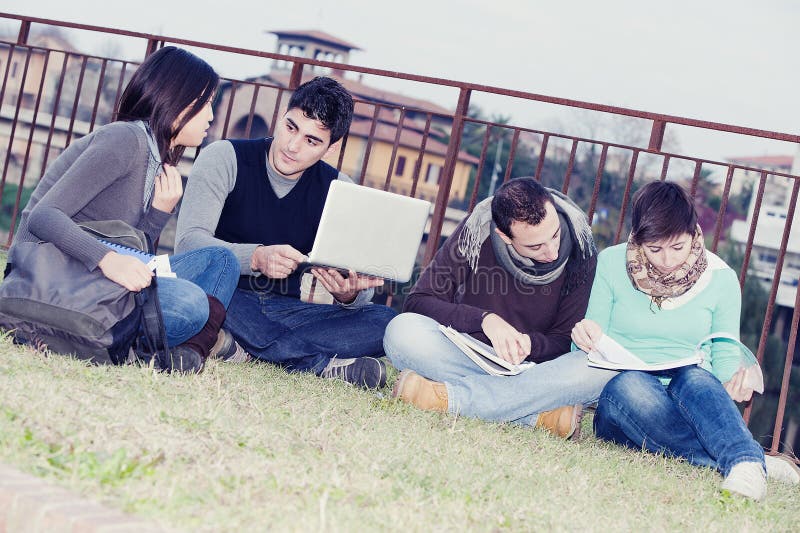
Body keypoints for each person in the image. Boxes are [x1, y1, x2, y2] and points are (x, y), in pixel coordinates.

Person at [1, 46, 241, 373]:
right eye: (208, 103)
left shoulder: (156, 157)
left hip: (99, 280)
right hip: (54, 274)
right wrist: (107, 260)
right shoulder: (125, 140)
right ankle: (175, 347)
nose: (212, 116)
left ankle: (188, 351)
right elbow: (44, 216)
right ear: (180, 99)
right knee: (191, 306)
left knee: (220, 261)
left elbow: (131, 246)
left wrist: (158, 212)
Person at [571, 181, 800, 500]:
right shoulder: (612, 263)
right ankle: (750, 459)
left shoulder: (721, 278)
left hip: (689, 398)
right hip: (622, 401)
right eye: (654, 249)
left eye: (677, 247)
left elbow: (723, 357)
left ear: (694, 234)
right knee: (630, 385)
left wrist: (736, 377)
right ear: (637, 238)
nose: (666, 260)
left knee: (695, 377)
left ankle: (744, 466)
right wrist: (583, 336)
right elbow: (587, 348)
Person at [175, 76, 396, 388]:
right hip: (227, 297)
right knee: (206, 299)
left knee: (387, 325)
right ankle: (319, 365)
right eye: (291, 127)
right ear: (281, 118)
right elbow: (187, 246)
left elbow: (362, 292)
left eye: (311, 141)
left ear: (330, 149)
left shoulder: (340, 190)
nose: (292, 146)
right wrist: (256, 257)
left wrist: (349, 295)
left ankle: (241, 348)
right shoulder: (224, 157)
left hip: (293, 311)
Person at [386, 177, 613, 438]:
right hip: (470, 355)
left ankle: (448, 398)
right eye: (535, 246)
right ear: (503, 235)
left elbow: (564, 340)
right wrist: (484, 320)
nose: (551, 251)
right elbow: (419, 301)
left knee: (598, 369)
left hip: (537, 370)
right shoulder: (475, 231)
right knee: (401, 331)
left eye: (554, 235)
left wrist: (529, 344)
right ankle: (535, 414)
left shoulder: (581, 248)